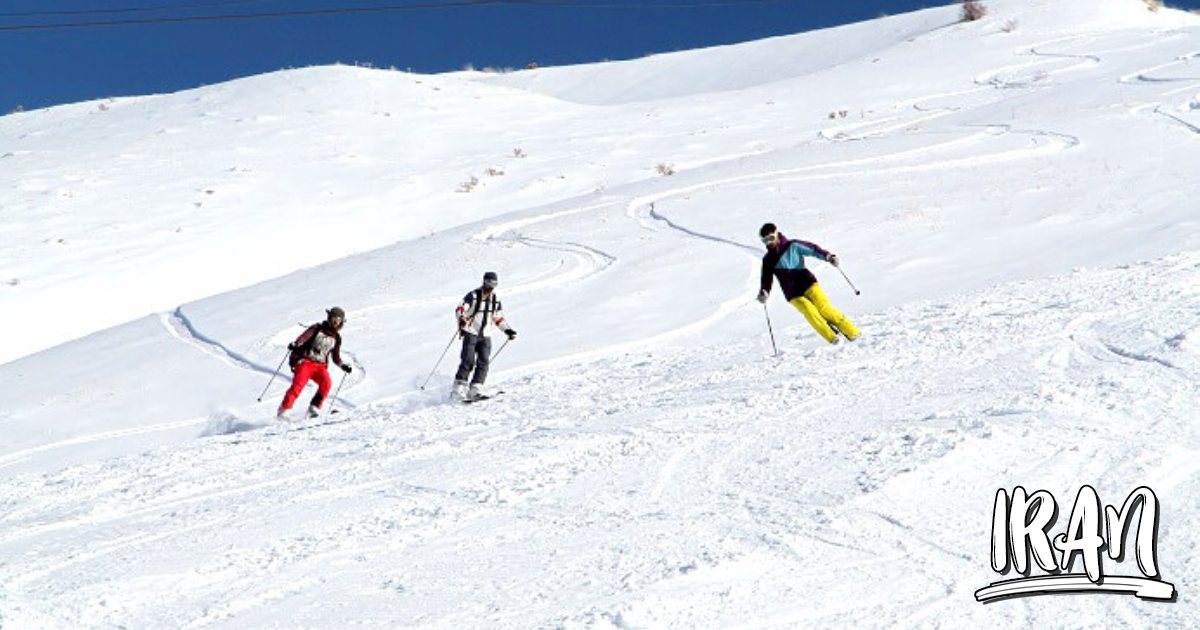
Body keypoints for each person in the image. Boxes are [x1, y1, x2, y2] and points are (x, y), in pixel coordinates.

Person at [757, 223, 860, 344]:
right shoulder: (768, 260)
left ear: (776, 234)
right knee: (809, 311)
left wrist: (828, 256)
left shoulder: (792, 245)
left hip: (807, 282)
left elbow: (813, 249)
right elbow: (766, 279)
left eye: (771, 238)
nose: (769, 243)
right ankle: (833, 338)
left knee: (824, 309)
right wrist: (764, 292)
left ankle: (852, 332)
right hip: (792, 292)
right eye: (765, 240)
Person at [278, 307, 353, 419]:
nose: (336, 321)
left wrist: (343, 365)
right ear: (329, 318)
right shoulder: (317, 328)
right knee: (298, 385)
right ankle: (284, 410)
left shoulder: (337, 338)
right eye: (334, 318)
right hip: (305, 362)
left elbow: (336, 357)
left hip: (320, 366)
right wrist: (296, 344)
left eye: (339, 319)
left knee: (326, 383)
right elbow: (303, 338)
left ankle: (314, 407)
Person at [452, 272, 517, 401]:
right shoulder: (473, 296)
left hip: (486, 335)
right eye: (489, 283)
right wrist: (462, 319)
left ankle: (476, 387)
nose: (491, 287)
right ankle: (459, 388)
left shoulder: (495, 300)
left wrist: (507, 330)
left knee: (484, 362)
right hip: (471, 332)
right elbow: (460, 309)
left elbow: (498, 318)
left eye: (494, 284)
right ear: (484, 282)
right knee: (468, 360)